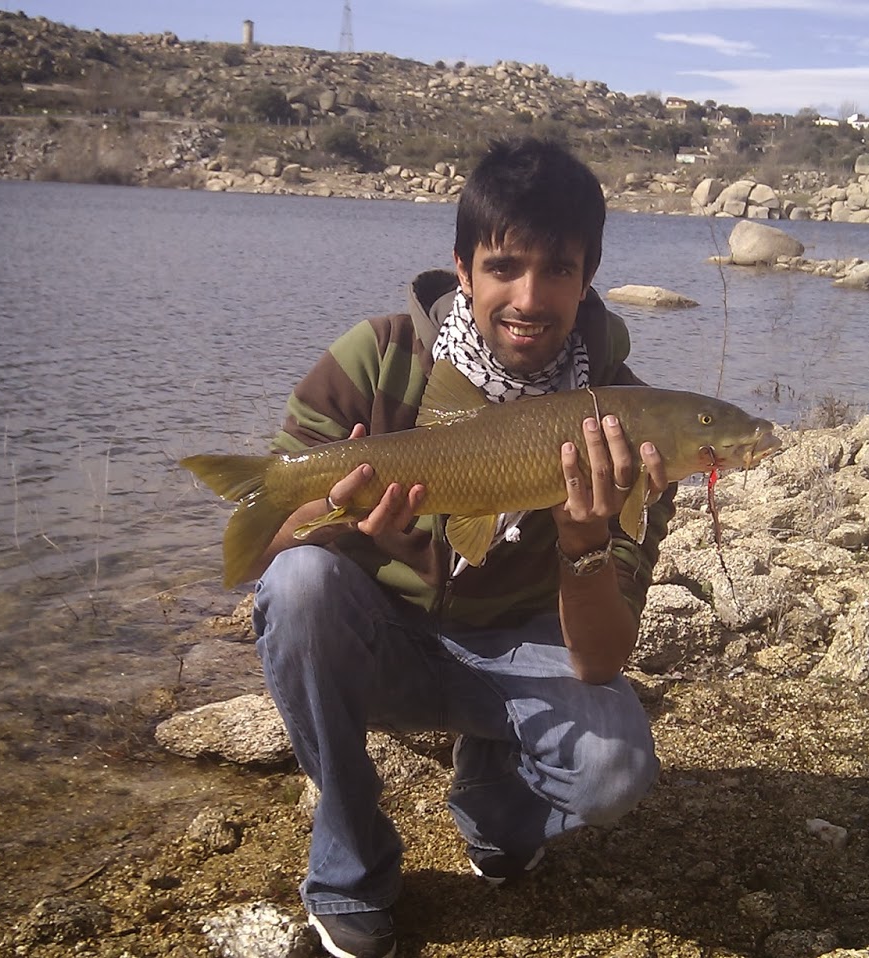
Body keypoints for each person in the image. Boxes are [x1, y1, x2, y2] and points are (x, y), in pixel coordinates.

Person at [249, 137, 675, 958]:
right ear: (463, 267)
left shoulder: (632, 424)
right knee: (301, 584)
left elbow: (600, 659)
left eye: (557, 270)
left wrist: (586, 543)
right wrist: (327, 521)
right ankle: (349, 864)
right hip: (389, 642)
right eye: (504, 266)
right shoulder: (373, 360)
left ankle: (494, 798)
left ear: (588, 276)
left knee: (615, 770)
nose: (529, 296)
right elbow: (268, 566)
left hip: (521, 651)